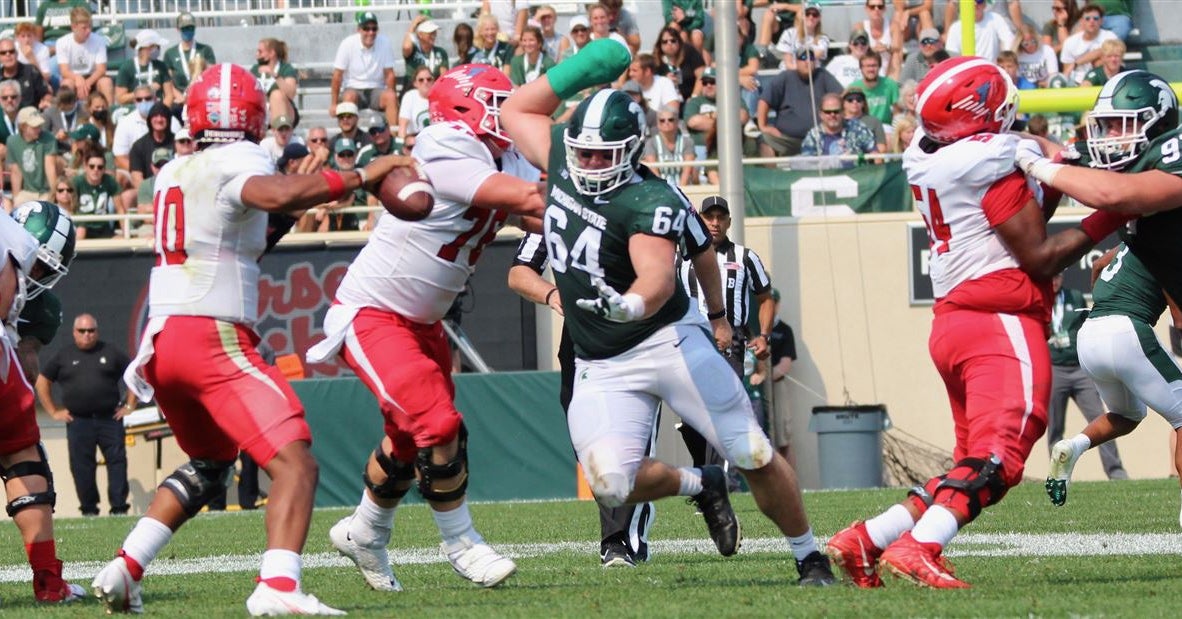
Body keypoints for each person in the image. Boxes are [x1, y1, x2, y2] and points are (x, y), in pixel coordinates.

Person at [501, 38, 835, 586]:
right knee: (610, 482)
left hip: (666, 341)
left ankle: (808, 555)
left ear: (630, 152)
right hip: (600, 360)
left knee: (751, 450)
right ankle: (701, 482)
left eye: (600, 155)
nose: (586, 164)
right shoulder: (565, 153)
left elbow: (656, 275)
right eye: (579, 151)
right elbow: (517, 107)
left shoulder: (647, 198)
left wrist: (633, 302)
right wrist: (587, 66)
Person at [90, 63, 409, 616]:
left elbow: (235, 237)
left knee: (211, 464)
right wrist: (356, 177)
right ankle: (279, 587)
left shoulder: (175, 170)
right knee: (296, 463)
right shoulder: (240, 160)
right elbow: (272, 190)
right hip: (211, 336)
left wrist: (294, 203)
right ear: (253, 112)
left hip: (163, 342)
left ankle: (126, 565)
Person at [826, 56, 1125, 589]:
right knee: (1002, 456)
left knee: (974, 464)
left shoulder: (930, 151)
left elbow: (1020, 210)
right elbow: (1039, 255)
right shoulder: (989, 159)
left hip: (956, 322)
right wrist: (1112, 213)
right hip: (998, 318)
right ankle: (921, 546)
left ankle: (869, 538)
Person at [305, 64, 544, 593]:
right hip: (373, 313)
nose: (508, 112)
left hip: (424, 322)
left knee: (407, 438)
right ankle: (462, 544)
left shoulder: (502, 155)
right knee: (438, 425)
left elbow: (542, 213)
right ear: (463, 105)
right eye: (497, 102)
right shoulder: (444, 142)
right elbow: (532, 200)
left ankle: (365, 532)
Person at [508, 204, 730, 567]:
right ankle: (698, 481)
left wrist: (719, 317)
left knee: (628, 442)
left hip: (647, 333)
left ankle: (621, 542)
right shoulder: (564, 204)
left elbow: (701, 247)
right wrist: (553, 294)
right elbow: (519, 272)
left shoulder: (655, 197)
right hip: (584, 337)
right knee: (592, 448)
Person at [1013, 71, 1182, 521]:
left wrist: (1036, 156)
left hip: (1093, 331)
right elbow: (1107, 191)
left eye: (1122, 124)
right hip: (1126, 330)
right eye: (1107, 125)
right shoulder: (1135, 178)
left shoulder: (1159, 171)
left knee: (1129, 415)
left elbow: (1104, 262)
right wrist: (1033, 156)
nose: (1110, 137)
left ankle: (1074, 445)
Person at [1, 202, 86, 604]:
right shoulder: (11, 238)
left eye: (44, 270)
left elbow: (29, 360)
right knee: (25, 460)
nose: (36, 277)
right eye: (37, 265)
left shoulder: (44, 309)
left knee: (26, 458)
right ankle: (49, 582)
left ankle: (50, 580)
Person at [675, 195, 775, 485]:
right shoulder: (680, 257)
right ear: (701, 219)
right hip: (691, 337)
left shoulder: (745, 257)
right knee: (690, 415)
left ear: (729, 221)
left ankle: (714, 483)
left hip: (730, 338)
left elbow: (765, 297)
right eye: (710, 217)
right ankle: (705, 471)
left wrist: (764, 336)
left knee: (721, 406)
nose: (715, 223)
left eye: (721, 218)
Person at [36, 313, 134, 516]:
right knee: (82, 467)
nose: (87, 335)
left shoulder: (111, 351)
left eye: (91, 330)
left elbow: (134, 374)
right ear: (74, 333)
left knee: (117, 462)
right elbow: (42, 381)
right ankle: (89, 510)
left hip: (110, 419)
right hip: (79, 421)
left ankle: (119, 508)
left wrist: (130, 406)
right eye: (82, 331)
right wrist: (54, 411)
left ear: (97, 331)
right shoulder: (64, 356)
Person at [1044, 272, 1127, 480]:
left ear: (1063, 277)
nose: (1055, 280)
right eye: (1052, 277)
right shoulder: (1040, 299)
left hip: (1080, 370)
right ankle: (1057, 476)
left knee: (1101, 417)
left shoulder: (1075, 296)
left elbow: (1088, 326)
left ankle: (1115, 472)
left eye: (1058, 276)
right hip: (1055, 369)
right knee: (1054, 426)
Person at [757, 49, 842, 158]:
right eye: (803, 58)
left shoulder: (823, 75)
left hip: (820, 137)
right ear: (796, 61)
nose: (807, 61)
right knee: (764, 139)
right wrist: (763, 126)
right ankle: (775, 175)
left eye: (811, 58)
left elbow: (841, 96)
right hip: (788, 139)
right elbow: (764, 100)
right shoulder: (785, 77)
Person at [330, 11, 398, 132]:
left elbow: (389, 74)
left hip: (377, 90)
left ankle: (394, 139)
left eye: (374, 29)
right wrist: (334, 104)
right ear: (359, 29)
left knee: (391, 96)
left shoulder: (385, 43)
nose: (370, 32)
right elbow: (337, 76)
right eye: (366, 28)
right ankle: (349, 138)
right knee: (349, 96)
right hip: (352, 88)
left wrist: (391, 93)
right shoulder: (347, 44)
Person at [760, 289, 798, 465]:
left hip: (776, 385)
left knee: (783, 438)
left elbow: (785, 364)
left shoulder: (784, 330)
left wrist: (766, 377)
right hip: (755, 388)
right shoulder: (753, 326)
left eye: (773, 302)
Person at [800, 93, 878, 167]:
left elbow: (875, 154)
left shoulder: (857, 128)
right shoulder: (813, 136)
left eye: (836, 111)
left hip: (857, 175)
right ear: (821, 114)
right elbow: (807, 163)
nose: (832, 115)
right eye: (828, 112)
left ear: (843, 112)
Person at [55, 7, 114, 103]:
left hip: (93, 77)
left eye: (90, 26)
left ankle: (110, 115)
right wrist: (77, 78)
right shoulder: (62, 42)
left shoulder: (99, 40)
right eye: (84, 28)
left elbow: (101, 69)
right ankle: (67, 114)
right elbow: (64, 71)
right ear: (73, 27)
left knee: (106, 82)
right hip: (73, 77)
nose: (88, 31)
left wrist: (87, 83)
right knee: (66, 84)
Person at [163, 12, 216, 112]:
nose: (188, 31)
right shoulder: (170, 53)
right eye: (185, 28)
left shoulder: (205, 50)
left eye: (191, 28)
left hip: (200, 99)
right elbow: (168, 82)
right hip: (179, 101)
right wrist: (181, 98)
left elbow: (211, 75)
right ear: (178, 29)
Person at [8, 106, 57, 205]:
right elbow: (16, 172)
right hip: (26, 193)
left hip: (45, 192)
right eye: (34, 127)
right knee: (17, 205)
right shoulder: (12, 141)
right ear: (23, 126)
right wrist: (15, 197)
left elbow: (50, 168)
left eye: (39, 125)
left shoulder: (49, 138)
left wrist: (54, 194)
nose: (38, 129)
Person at [71, 144, 121, 239]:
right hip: (82, 226)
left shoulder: (109, 181)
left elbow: (120, 209)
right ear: (85, 166)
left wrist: (125, 232)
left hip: (103, 227)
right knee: (81, 232)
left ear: (104, 169)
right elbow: (68, 206)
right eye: (92, 166)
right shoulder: (76, 182)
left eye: (100, 167)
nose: (96, 170)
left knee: (121, 240)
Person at [115, 29, 175, 108]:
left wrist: (162, 111)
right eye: (157, 47)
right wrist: (147, 90)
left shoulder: (161, 66)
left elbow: (169, 95)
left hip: (157, 110)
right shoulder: (127, 67)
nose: (159, 50)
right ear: (148, 47)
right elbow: (120, 98)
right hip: (134, 111)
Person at [1060, 3, 1117, 85]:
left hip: (1103, 83)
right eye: (1087, 18)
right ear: (1081, 21)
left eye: (1096, 18)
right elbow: (1067, 70)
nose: (1092, 21)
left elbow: (1106, 53)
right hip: (1076, 84)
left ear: (1101, 21)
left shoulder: (1110, 36)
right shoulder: (1070, 42)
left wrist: (1076, 63)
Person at [944, 0, 1015, 63]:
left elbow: (1009, 41)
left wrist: (1003, 61)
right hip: (968, 71)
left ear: (985, 4)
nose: (975, 4)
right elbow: (952, 56)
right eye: (970, 1)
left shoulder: (995, 18)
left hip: (991, 70)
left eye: (979, 1)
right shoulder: (955, 28)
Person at [252, 38, 299, 127]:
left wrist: (273, 74)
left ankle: (281, 130)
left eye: (260, 51)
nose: (257, 54)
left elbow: (291, 93)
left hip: (285, 112)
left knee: (276, 95)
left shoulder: (285, 68)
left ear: (272, 53)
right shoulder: (255, 69)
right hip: (264, 111)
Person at [643, 106, 695, 187]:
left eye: (670, 120)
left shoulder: (687, 142)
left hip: (684, 187)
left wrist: (681, 189)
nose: (666, 123)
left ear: (677, 122)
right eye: (662, 120)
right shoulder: (651, 143)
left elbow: (687, 169)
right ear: (657, 123)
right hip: (660, 188)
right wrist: (664, 189)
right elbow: (653, 169)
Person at [653, 25, 705, 104]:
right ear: (660, 45)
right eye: (665, 42)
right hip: (666, 102)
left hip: (690, 99)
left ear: (679, 42)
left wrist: (694, 97)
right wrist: (665, 81)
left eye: (673, 40)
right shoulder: (655, 62)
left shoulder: (689, 52)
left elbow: (701, 75)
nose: (669, 43)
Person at [0, 37, 50, 111]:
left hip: (30, 117)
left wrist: (46, 101)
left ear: (17, 54)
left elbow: (46, 93)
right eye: (3, 53)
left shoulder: (31, 71)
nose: (8, 55)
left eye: (11, 51)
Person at [402, 16, 450, 91]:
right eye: (430, 33)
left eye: (434, 32)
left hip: (433, 90)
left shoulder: (440, 52)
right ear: (420, 35)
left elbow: (443, 78)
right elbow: (406, 47)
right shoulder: (413, 51)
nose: (433, 36)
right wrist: (412, 26)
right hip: (413, 90)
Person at [397, 68, 433, 144]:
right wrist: (401, 145)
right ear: (415, 83)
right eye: (421, 80)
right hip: (415, 140)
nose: (425, 82)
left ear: (433, 81)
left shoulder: (440, 96)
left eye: (429, 79)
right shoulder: (410, 97)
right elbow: (403, 125)